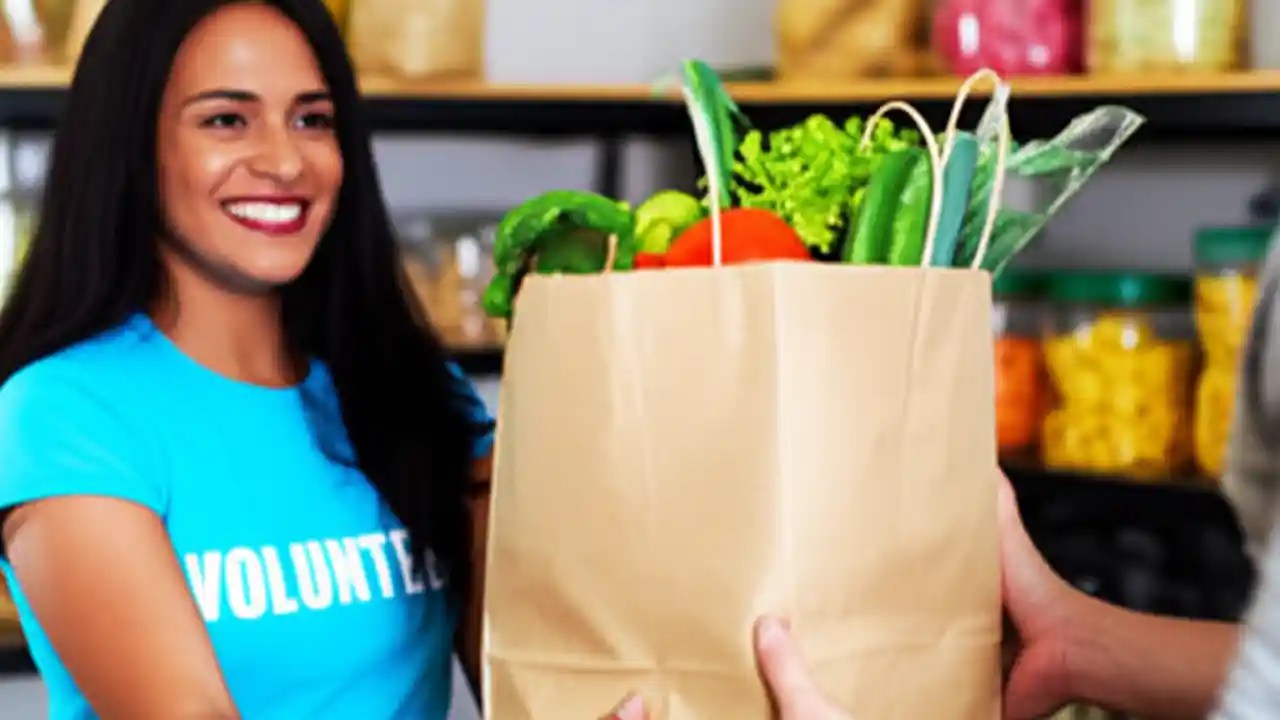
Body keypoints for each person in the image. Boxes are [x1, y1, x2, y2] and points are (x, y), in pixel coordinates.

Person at [0, 1, 499, 718]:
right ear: (132, 145)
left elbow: (532, 675)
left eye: (312, 119)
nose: (285, 161)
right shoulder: (65, 413)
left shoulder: (415, 390)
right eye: (226, 120)